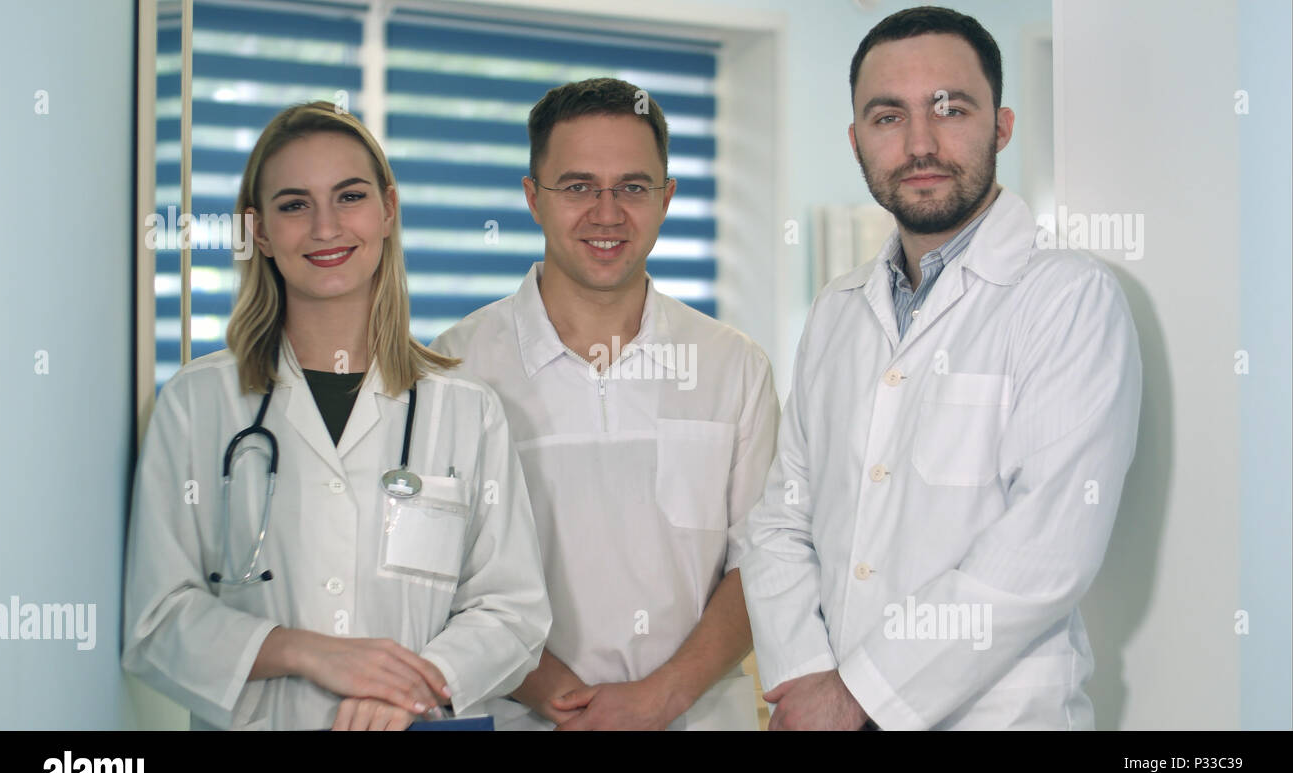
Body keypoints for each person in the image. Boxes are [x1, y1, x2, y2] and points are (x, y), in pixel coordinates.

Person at [740, 6, 1142, 730]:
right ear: (858, 140)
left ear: (1002, 125)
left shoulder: (1068, 298)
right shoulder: (836, 310)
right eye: (888, 116)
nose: (920, 143)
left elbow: (1044, 553)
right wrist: (805, 676)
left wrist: (854, 695)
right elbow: (780, 518)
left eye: (950, 108)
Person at [122, 101, 551, 731]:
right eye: (294, 204)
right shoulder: (199, 402)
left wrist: (400, 691)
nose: (326, 227)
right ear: (259, 231)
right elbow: (156, 620)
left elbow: (512, 612)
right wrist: (309, 652)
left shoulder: (465, 408)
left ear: (387, 211)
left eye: (349, 197)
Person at [430, 78, 780, 730]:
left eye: (633, 186)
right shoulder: (455, 366)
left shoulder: (734, 367)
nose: (608, 211)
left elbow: (761, 563)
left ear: (667, 198)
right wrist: (560, 695)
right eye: (579, 186)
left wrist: (661, 697)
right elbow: (437, 570)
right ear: (533, 198)